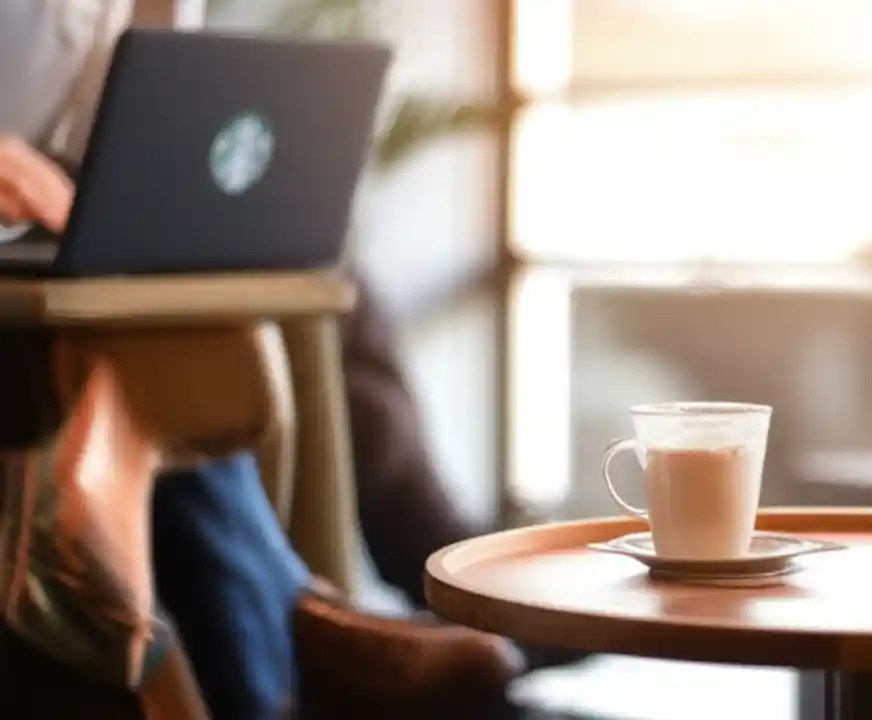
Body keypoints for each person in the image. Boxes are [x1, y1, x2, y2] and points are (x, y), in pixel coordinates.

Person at [0, 1, 527, 717]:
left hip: (37, 211)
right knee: (158, 314)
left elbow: (133, 115)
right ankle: (288, 623)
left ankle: (438, 564)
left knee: (304, 258)